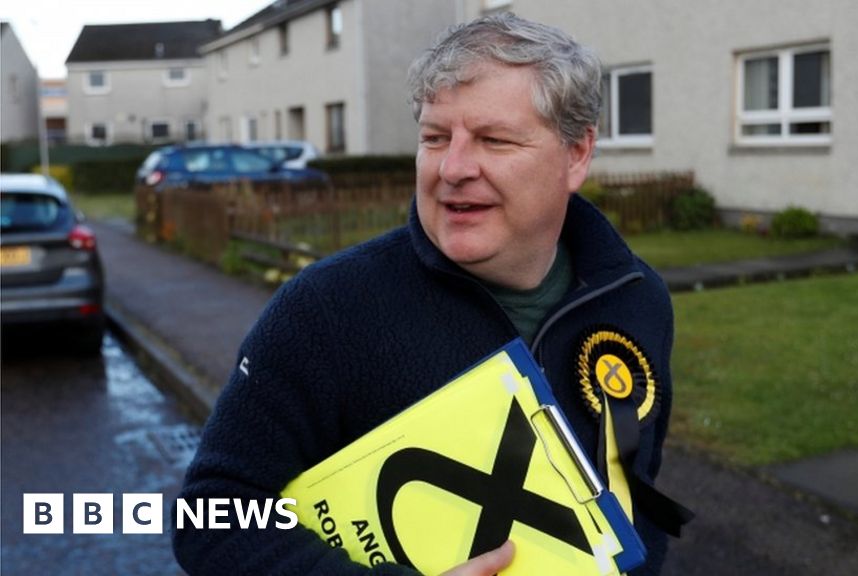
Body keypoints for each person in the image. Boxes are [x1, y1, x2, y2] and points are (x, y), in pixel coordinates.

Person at [174, 12, 689, 576]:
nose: (453, 168)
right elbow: (209, 517)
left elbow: (637, 490)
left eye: (494, 140)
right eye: (435, 138)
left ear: (577, 154)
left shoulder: (638, 299)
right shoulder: (327, 309)